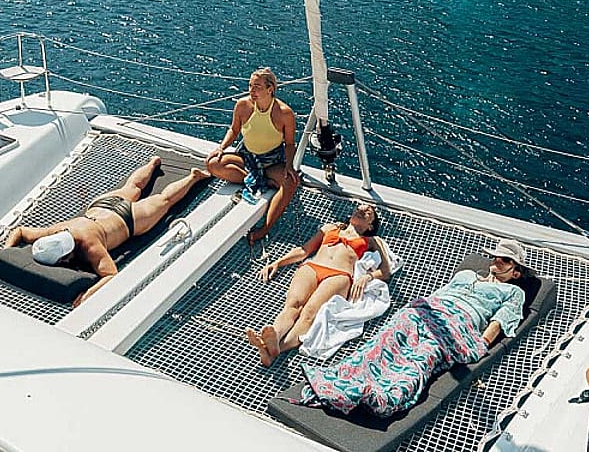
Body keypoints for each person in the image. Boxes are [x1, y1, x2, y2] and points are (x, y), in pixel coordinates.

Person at [295, 238, 531, 417]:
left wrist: (481, 344)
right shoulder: (466, 274)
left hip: (458, 324)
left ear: (516, 272)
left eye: (505, 260)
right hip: (427, 311)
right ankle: (343, 380)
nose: (496, 261)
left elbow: (499, 321)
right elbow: (438, 295)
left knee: (421, 355)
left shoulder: (513, 292)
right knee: (384, 340)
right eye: (495, 257)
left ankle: (378, 396)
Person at [6, 157, 208, 306]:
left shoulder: (90, 246)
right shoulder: (56, 231)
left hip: (127, 218)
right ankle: (152, 163)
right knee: (133, 186)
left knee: (165, 200)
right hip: (101, 207)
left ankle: (192, 177)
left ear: (67, 254)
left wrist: (87, 294)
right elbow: (20, 231)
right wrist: (7, 250)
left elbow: (111, 274)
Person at [244, 202, 390, 366]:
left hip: (338, 275)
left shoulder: (372, 240)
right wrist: (277, 263)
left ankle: (276, 348)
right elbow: (304, 251)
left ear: (370, 225)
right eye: (360, 208)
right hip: (313, 267)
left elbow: (386, 270)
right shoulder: (330, 228)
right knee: (293, 305)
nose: (362, 210)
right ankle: (274, 339)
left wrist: (367, 277)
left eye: (368, 212)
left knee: (309, 313)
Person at [206, 67, 299, 243]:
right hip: (248, 157)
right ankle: (258, 179)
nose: (251, 90)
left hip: (272, 161)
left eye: (257, 86)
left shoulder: (284, 113)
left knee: (291, 183)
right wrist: (222, 147)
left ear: (270, 89)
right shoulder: (243, 105)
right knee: (212, 163)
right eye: (250, 85)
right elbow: (234, 130)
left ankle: (264, 228)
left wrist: (289, 167)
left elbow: (290, 144)